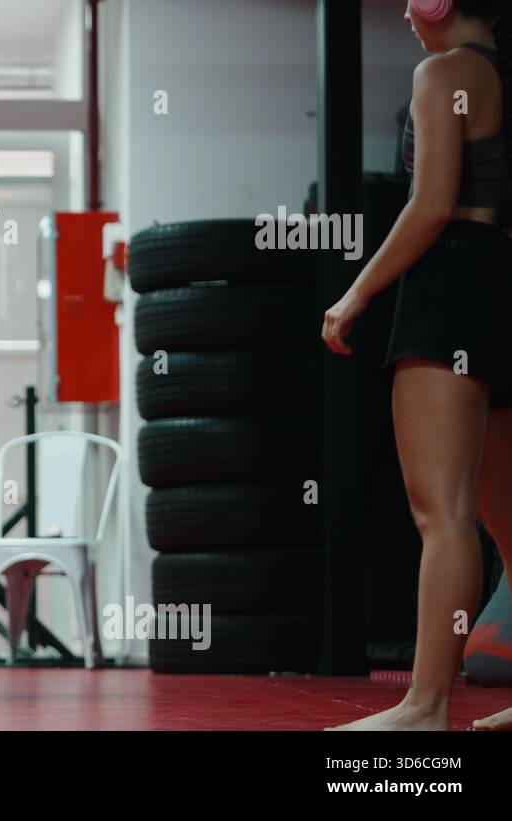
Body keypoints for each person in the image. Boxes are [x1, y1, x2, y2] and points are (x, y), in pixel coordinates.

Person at [322, 0, 512, 730]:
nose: (403, 13)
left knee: (444, 514)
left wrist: (354, 294)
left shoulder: (443, 73)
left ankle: (427, 703)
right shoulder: (497, 79)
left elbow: (430, 205)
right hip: (502, 283)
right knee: (502, 519)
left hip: (452, 283)